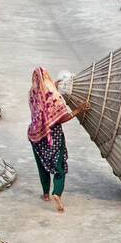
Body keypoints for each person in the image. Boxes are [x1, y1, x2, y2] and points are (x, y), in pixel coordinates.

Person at [28, 69, 88, 214]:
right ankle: (57, 193)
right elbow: (61, 118)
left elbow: (44, 96)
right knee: (59, 165)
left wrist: (54, 85)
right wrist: (78, 110)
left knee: (42, 165)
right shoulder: (52, 96)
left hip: (35, 136)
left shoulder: (33, 93)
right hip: (52, 137)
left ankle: (46, 194)